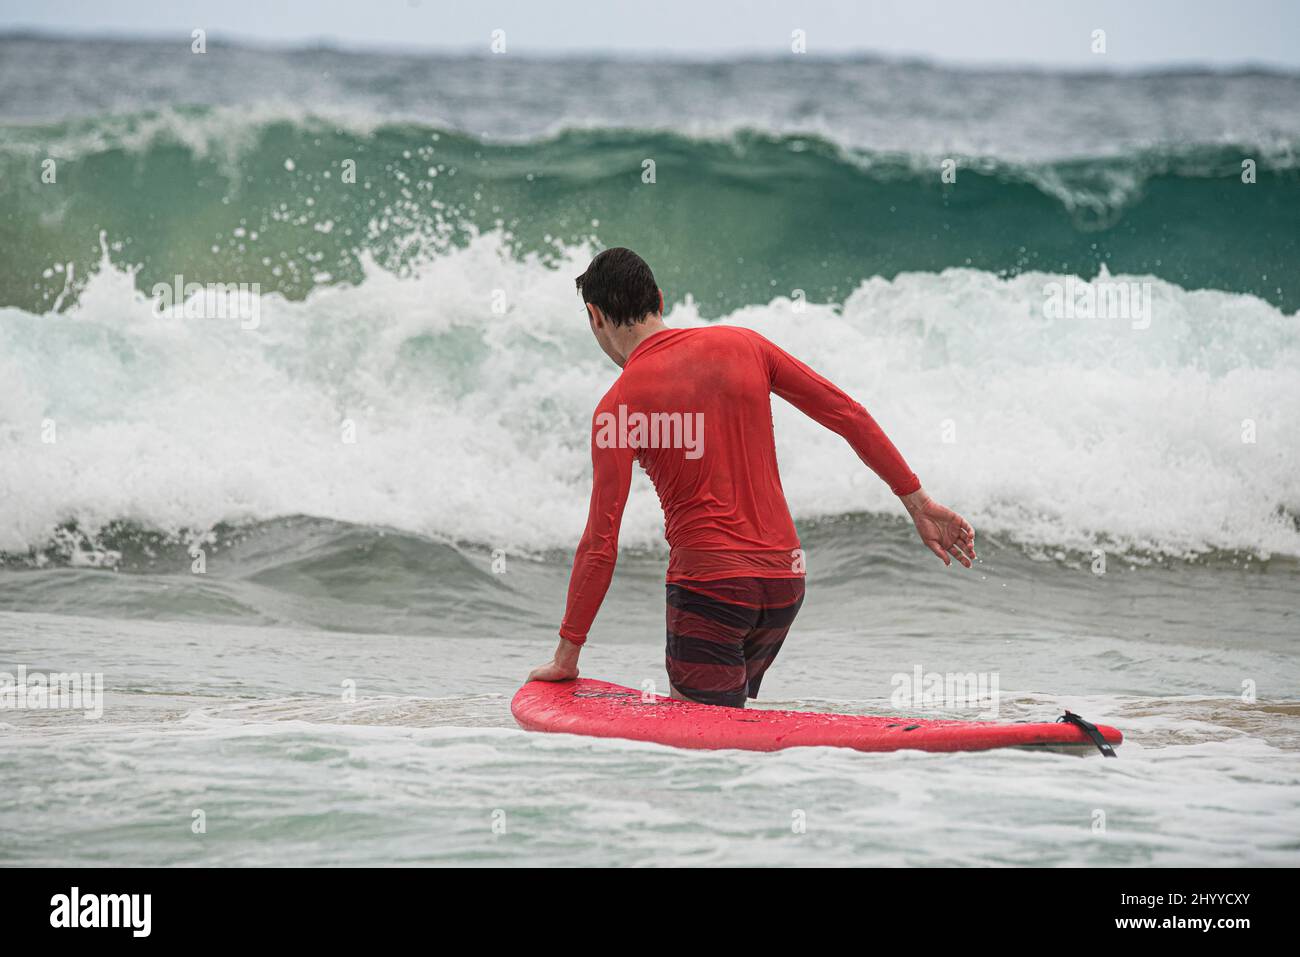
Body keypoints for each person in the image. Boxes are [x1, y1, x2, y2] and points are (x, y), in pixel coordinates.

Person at [527, 248, 975, 706]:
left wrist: (568, 654)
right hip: (785, 584)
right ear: (659, 300)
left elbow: (601, 541)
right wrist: (918, 502)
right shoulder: (746, 345)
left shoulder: (617, 406)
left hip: (711, 590)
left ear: (594, 316)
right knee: (732, 735)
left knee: (705, 750)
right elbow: (848, 415)